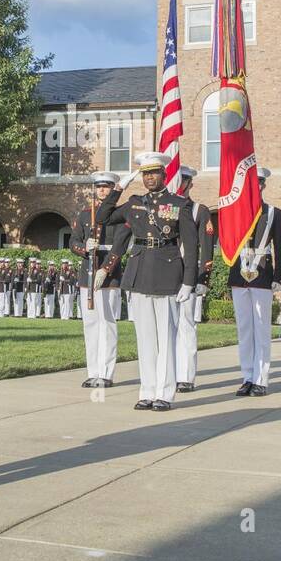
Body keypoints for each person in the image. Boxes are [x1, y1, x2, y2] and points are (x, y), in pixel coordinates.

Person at [96, 152, 197, 411]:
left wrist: (188, 281)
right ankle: (147, 391)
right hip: (140, 272)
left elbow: (191, 245)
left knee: (166, 337)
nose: (150, 177)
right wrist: (119, 188)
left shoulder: (179, 204)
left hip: (167, 272)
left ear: (164, 175)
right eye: (145, 173)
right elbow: (102, 217)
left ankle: (164, 393)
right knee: (146, 338)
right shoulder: (134, 203)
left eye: (154, 173)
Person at [228, 166, 281, 397]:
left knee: (261, 328)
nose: (256, 186)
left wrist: (279, 277)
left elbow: (280, 248)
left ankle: (261, 378)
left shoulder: (272, 212)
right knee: (244, 329)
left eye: (259, 183)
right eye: (252, 183)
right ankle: (247, 376)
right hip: (238, 275)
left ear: (263, 185)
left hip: (262, 274)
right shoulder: (234, 210)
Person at [72, 172, 123, 388]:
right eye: (99, 187)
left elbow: (120, 244)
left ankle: (106, 372)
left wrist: (105, 268)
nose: (102, 190)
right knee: (90, 324)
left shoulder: (119, 214)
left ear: (112, 189)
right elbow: (74, 241)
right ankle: (93, 371)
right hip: (87, 274)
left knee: (107, 323)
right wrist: (84, 248)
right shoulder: (85, 214)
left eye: (106, 187)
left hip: (108, 275)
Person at [175, 166, 216, 392]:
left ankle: (186, 376)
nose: (180, 186)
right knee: (166, 329)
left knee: (186, 326)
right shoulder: (164, 207)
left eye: (184, 182)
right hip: (164, 276)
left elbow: (206, 248)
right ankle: (168, 372)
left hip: (187, 276)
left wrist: (203, 278)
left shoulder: (199, 210)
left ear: (190, 184)